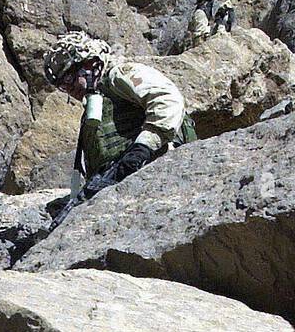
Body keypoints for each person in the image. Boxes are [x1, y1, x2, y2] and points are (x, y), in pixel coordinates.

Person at [43, 32, 196, 229]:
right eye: (63, 86)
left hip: (158, 169)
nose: (69, 89)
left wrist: (143, 146)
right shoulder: (95, 105)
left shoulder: (119, 75)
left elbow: (167, 99)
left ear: (90, 64)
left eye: (70, 79)